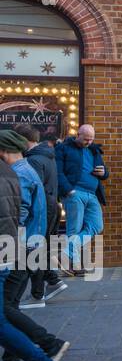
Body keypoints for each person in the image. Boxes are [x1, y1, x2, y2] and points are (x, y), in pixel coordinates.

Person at [0, 152, 72, 361]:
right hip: (16, 248)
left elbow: (18, 214)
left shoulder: (18, 172)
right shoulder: (15, 171)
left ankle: (46, 359)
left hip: (14, 248)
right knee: (6, 311)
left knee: (5, 313)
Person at [15, 125, 65, 303]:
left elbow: (31, 188)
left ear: (23, 140)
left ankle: (38, 294)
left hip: (43, 206)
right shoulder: (46, 155)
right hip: (52, 205)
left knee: (34, 248)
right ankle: (52, 280)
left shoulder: (34, 159)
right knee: (40, 247)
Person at [55, 124, 108, 275]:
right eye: (86, 139)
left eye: (91, 139)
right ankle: (75, 266)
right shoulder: (64, 148)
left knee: (97, 226)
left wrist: (104, 173)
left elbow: (105, 172)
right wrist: (69, 191)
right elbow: (58, 172)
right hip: (74, 193)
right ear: (78, 135)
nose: (89, 142)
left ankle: (65, 253)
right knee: (74, 230)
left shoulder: (94, 150)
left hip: (92, 194)